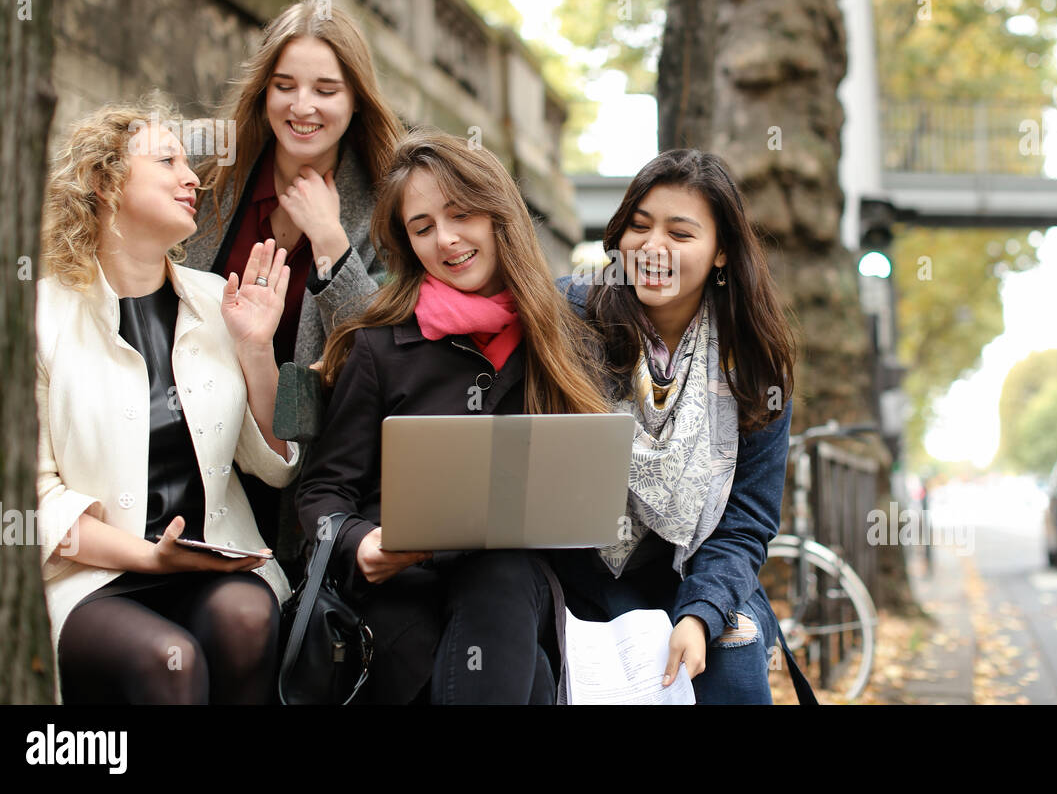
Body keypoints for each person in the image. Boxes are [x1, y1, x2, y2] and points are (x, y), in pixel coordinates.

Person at [295, 129, 609, 704]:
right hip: (402, 595)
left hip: (517, 588)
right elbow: (322, 494)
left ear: (498, 214)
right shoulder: (379, 346)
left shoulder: (558, 339)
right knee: (526, 681)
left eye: (460, 213)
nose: (446, 240)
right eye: (422, 227)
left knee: (503, 576)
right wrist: (359, 544)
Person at [35, 102, 300, 704]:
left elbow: (278, 465)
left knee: (247, 618)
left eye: (189, 162)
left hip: (215, 562)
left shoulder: (217, 302)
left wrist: (257, 349)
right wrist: (153, 559)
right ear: (104, 184)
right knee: (169, 663)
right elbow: (37, 498)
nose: (193, 178)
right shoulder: (38, 315)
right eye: (167, 161)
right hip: (95, 577)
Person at [553, 148, 798, 705]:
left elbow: (746, 523)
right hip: (576, 573)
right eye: (639, 227)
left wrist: (701, 613)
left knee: (731, 674)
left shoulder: (755, 366)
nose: (653, 247)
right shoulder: (571, 316)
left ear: (721, 254)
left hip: (696, 575)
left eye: (681, 234)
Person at [185, 0, 403, 561]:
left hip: (302, 470)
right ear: (263, 92)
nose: (302, 106)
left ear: (356, 102)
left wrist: (330, 241)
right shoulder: (205, 174)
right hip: (188, 449)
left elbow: (380, 348)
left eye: (326, 91)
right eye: (285, 85)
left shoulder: (391, 204)